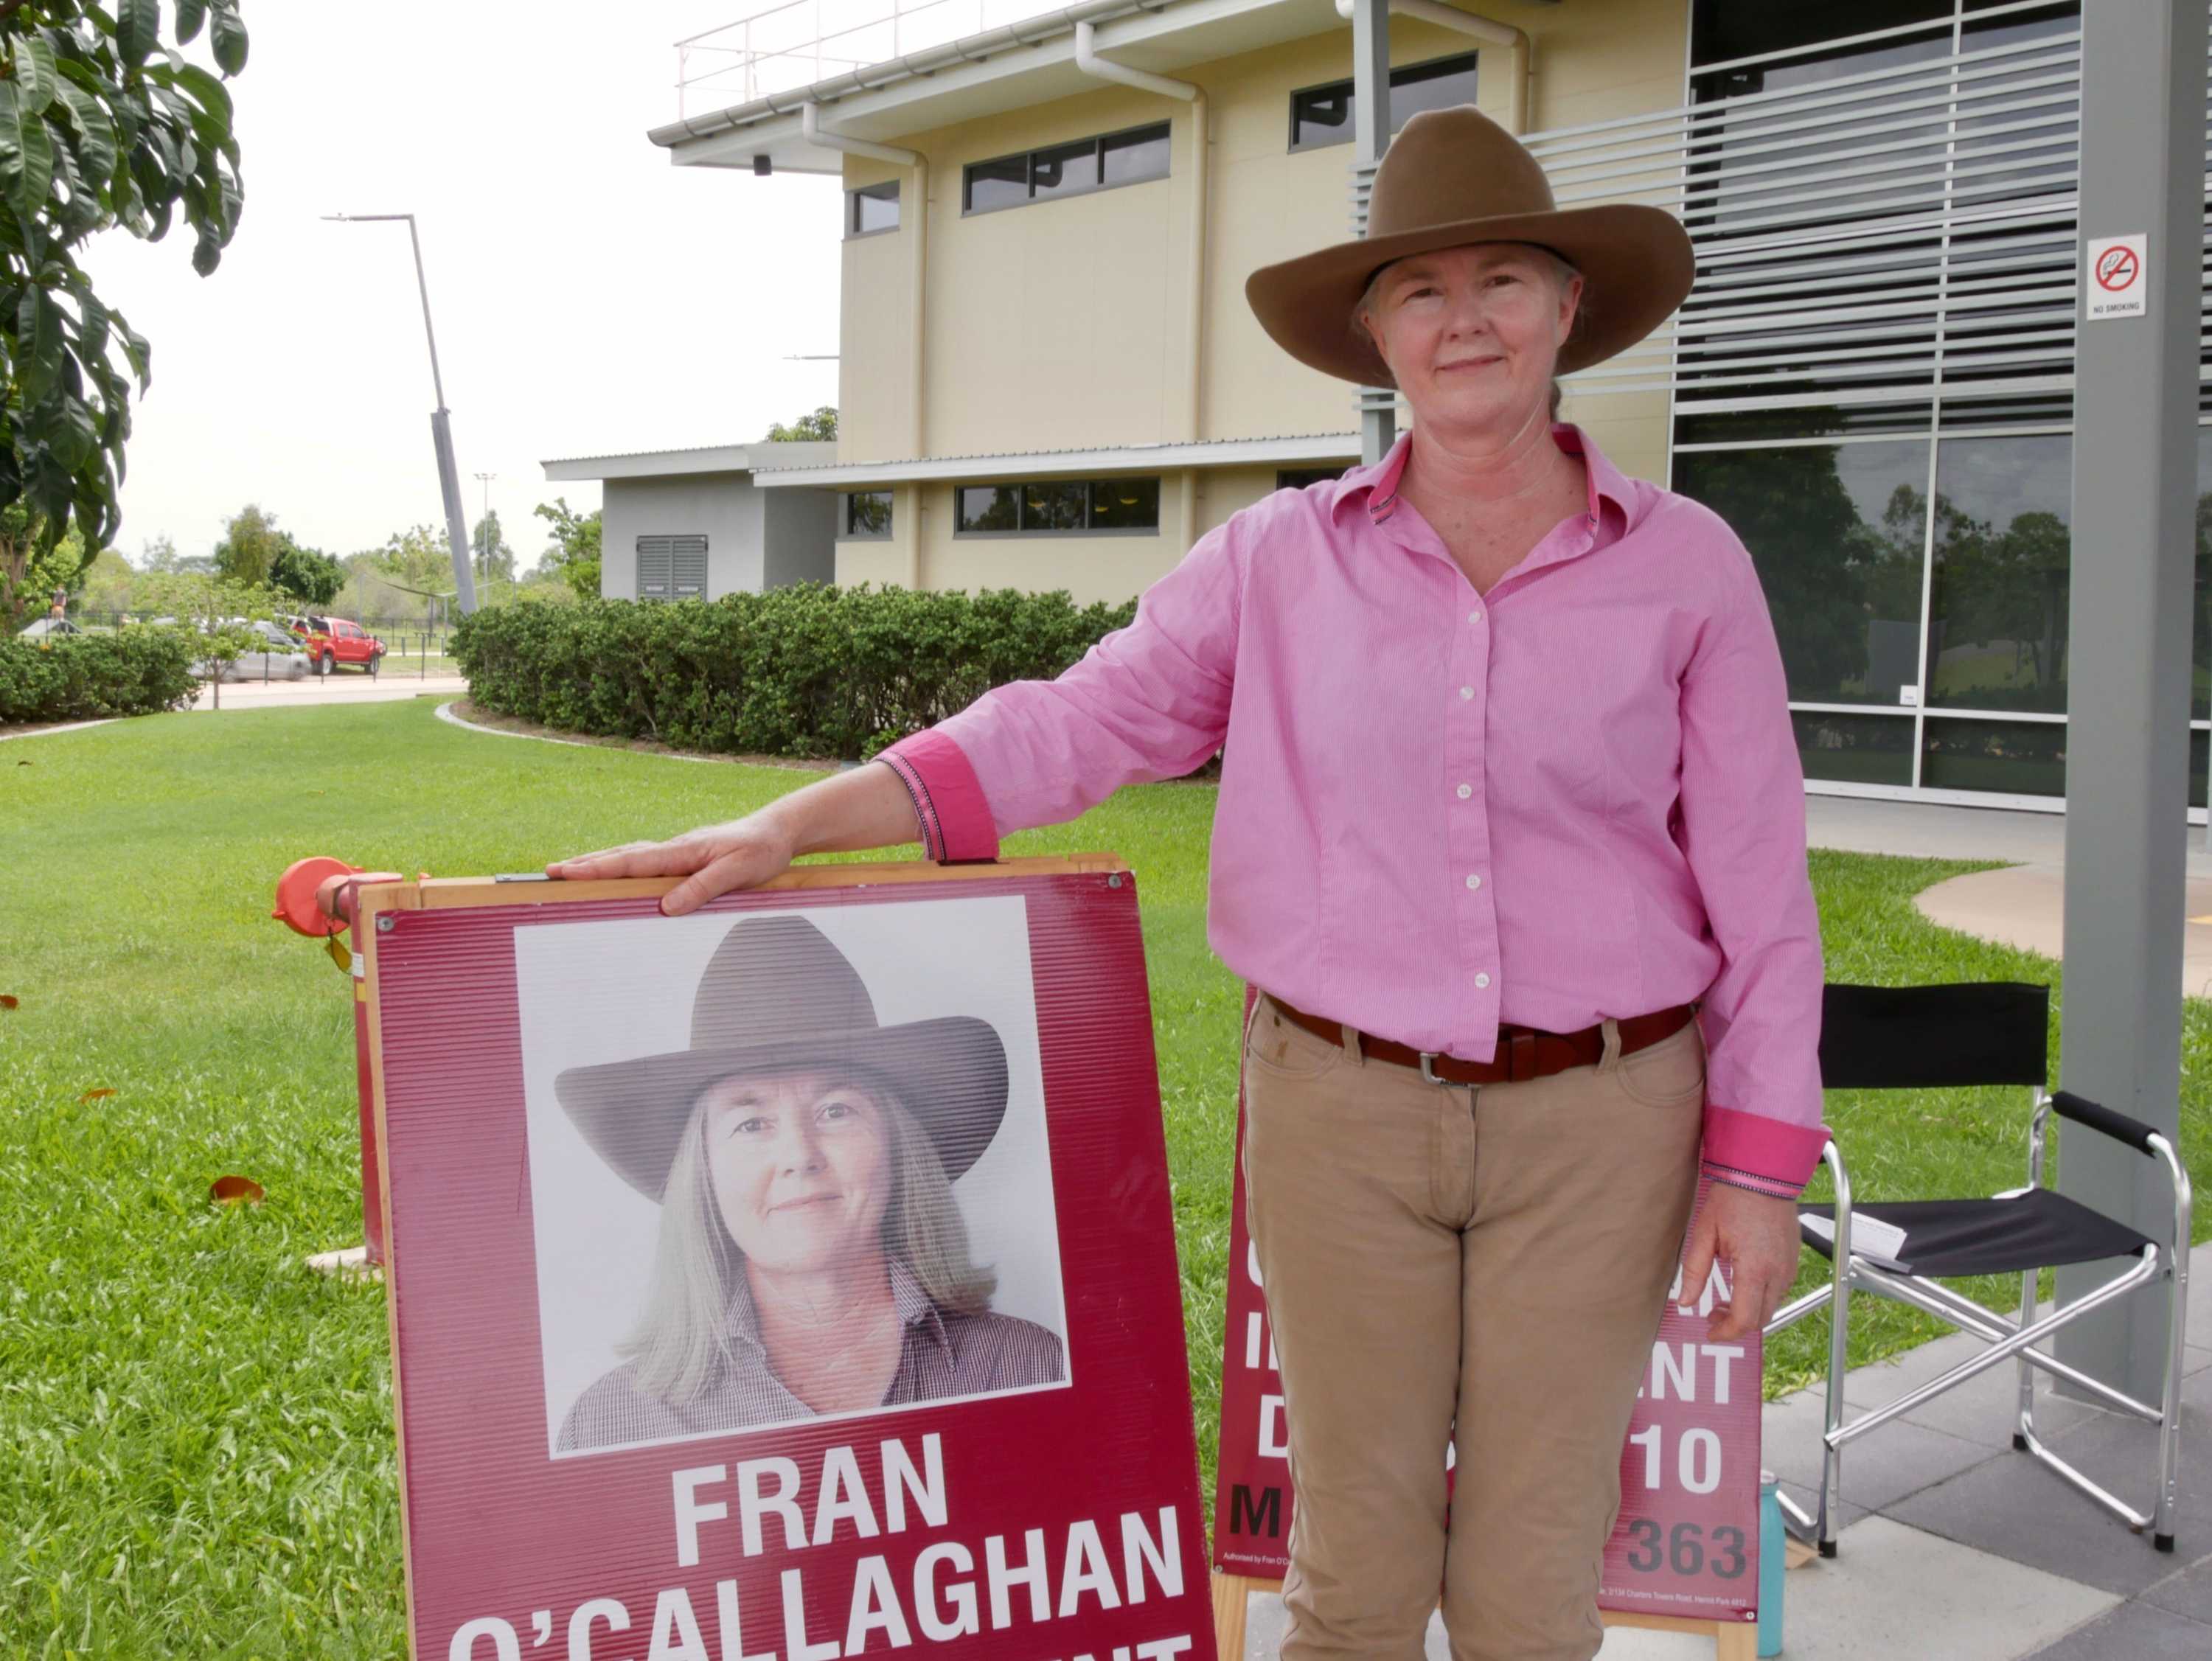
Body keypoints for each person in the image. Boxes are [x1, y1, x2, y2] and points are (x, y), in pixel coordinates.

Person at [551, 106, 1823, 1661]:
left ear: (1567, 309)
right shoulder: (1278, 560)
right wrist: (811, 820)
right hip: (1342, 1117)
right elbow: (1076, 720)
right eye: (1419, 290)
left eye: (1503, 278)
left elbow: (1761, 889)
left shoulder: (1688, 565)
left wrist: (1758, 1170)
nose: (1464, 317)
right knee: (1352, 1569)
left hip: (1605, 1122)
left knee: (1530, 1579)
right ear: (1373, 335)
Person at [552, 913, 1064, 1452]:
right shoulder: (611, 1426)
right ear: (702, 1174)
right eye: (751, 1124)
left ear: (896, 1146)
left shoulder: (1030, 1370)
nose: (799, 1155)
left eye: (836, 1110)